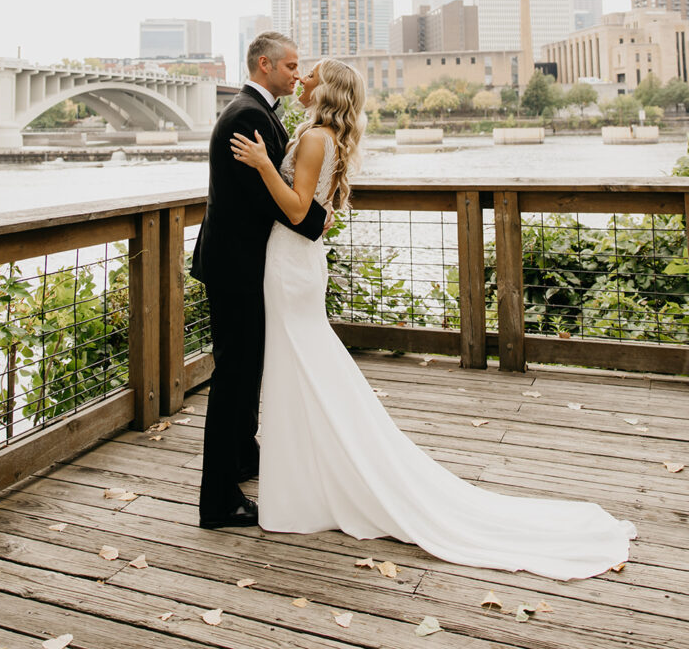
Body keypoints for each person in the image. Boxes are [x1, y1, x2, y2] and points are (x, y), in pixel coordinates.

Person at [229, 58, 637, 580]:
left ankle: (311, 483)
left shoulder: (314, 139)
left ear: (325, 88)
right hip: (297, 264)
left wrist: (265, 165)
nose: (302, 79)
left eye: (310, 74)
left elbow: (295, 208)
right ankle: (313, 477)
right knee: (305, 367)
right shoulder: (324, 135)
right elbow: (319, 212)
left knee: (300, 366)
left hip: (289, 264)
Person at [191, 32, 328, 529]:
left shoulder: (256, 110)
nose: (297, 73)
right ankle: (218, 501)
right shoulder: (248, 115)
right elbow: (268, 199)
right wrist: (317, 220)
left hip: (239, 263)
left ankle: (243, 461)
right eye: (291, 66)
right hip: (237, 268)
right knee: (233, 380)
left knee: (245, 375)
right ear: (264, 64)